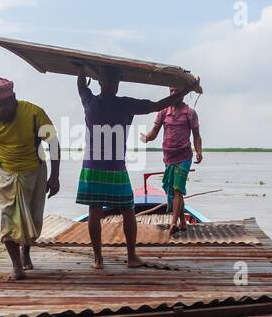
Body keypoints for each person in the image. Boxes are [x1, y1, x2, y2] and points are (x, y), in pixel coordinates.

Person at [76, 65, 193, 269]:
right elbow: (158, 105)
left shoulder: (90, 102)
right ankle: (131, 257)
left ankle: (98, 259)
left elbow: (81, 88)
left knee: (94, 210)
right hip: (115, 167)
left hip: (92, 165)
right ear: (117, 84)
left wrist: (81, 73)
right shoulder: (125, 104)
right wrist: (185, 91)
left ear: (101, 83)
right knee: (128, 209)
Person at [0, 77, 60, 280]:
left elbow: (53, 142)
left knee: (32, 220)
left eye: (6, 103)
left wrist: (55, 176)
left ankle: (26, 252)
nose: (2, 109)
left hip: (34, 171)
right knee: (7, 220)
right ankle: (17, 267)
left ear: (14, 98)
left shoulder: (33, 112)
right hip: (7, 173)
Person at [140, 87, 203, 233]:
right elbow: (154, 132)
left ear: (183, 93)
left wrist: (199, 151)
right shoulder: (163, 112)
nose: (174, 94)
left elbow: (196, 135)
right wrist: (146, 138)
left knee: (177, 189)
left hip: (184, 157)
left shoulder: (190, 113)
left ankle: (173, 223)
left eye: (177, 91)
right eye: (172, 91)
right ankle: (182, 222)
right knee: (171, 189)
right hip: (168, 158)